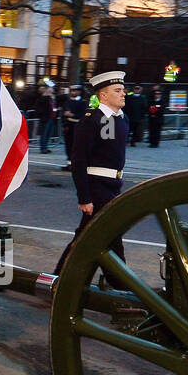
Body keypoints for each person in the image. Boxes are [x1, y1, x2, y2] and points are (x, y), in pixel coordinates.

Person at [54, 70, 129, 279]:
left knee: (93, 238)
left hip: (113, 186)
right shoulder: (91, 120)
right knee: (105, 237)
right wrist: (84, 197)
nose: (123, 94)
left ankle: (62, 281)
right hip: (97, 188)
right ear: (103, 96)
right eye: (117, 90)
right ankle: (119, 285)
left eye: (123, 89)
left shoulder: (121, 119)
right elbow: (79, 161)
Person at [60, 84, 86, 170]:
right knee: (68, 146)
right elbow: (63, 114)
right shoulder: (67, 102)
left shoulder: (83, 102)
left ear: (79, 92)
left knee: (77, 147)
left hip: (78, 126)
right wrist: (64, 125)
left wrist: (73, 115)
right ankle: (69, 163)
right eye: (72, 91)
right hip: (68, 127)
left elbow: (83, 114)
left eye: (75, 91)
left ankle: (76, 164)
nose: (73, 92)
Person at [35, 81, 58, 154]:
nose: (52, 90)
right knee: (44, 134)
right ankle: (43, 148)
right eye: (51, 88)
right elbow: (40, 107)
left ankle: (46, 147)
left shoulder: (51, 98)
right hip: (46, 119)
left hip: (51, 118)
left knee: (48, 134)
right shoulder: (43, 98)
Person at [146, 84, 165, 148]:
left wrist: (154, 107)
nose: (157, 95)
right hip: (152, 118)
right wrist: (155, 108)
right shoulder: (151, 101)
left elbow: (161, 109)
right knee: (151, 131)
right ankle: (151, 142)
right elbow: (149, 108)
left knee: (157, 132)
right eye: (156, 94)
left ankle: (156, 143)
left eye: (158, 94)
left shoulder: (162, 101)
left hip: (158, 119)